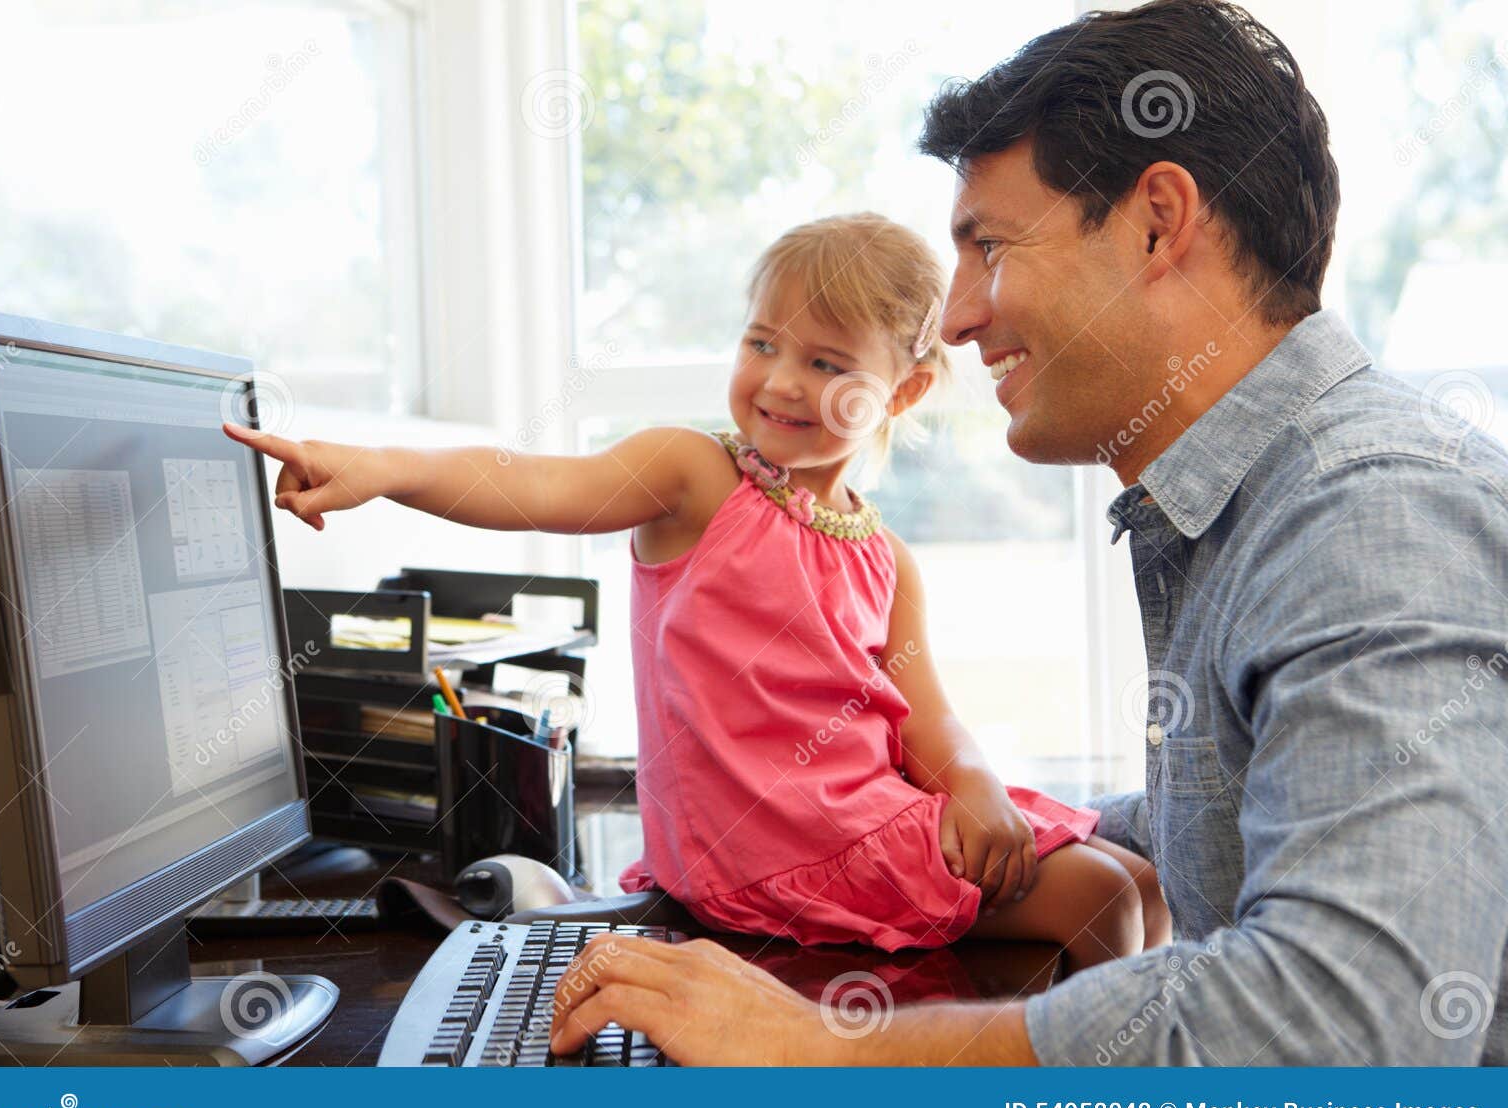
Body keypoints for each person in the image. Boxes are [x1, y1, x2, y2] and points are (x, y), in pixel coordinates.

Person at [548, 0, 1508, 1066]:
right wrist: (943, 816)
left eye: (989, 249)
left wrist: (820, 1047)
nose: (956, 317)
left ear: (1157, 222)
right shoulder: (1277, 496)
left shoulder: (1367, 515)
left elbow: (1342, 1033)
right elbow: (1260, 801)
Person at [224, 211, 1167, 969]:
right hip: (774, 848)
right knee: (1110, 896)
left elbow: (928, 718)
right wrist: (383, 467)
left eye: (829, 362)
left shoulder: (885, 556)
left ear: (905, 391)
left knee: (1148, 884)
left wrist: (970, 778)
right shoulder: (694, 478)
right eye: (763, 342)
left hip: (857, 815)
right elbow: (532, 484)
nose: (781, 381)